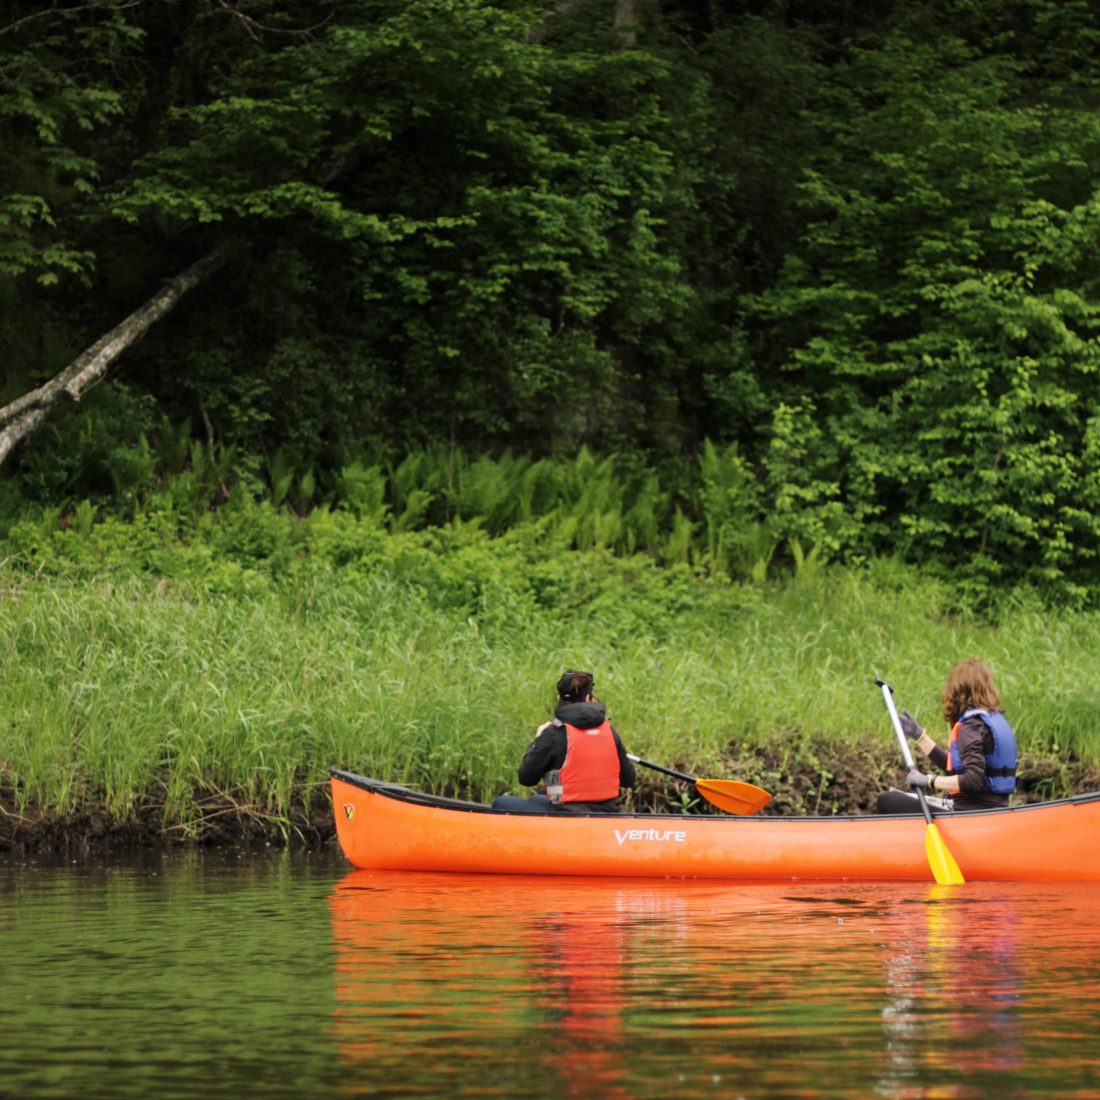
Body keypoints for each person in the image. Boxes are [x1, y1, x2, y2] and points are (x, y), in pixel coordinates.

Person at [877, 658, 1017, 814]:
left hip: (971, 814)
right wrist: (919, 736)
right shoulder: (991, 721)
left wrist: (929, 780)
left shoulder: (970, 727)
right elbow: (956, 769)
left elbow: (973, 780)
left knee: (888, 800)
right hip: (996, 811)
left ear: (958, 691)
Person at [491, 669, 637, 814]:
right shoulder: (609, 731)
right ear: (588, 698)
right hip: (607, 813)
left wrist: (537, 740)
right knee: (537, 799)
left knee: (500, 802)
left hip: (566, 814)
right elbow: (628, 780)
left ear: (558, 698)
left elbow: (526, 778)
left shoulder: (554, 733)